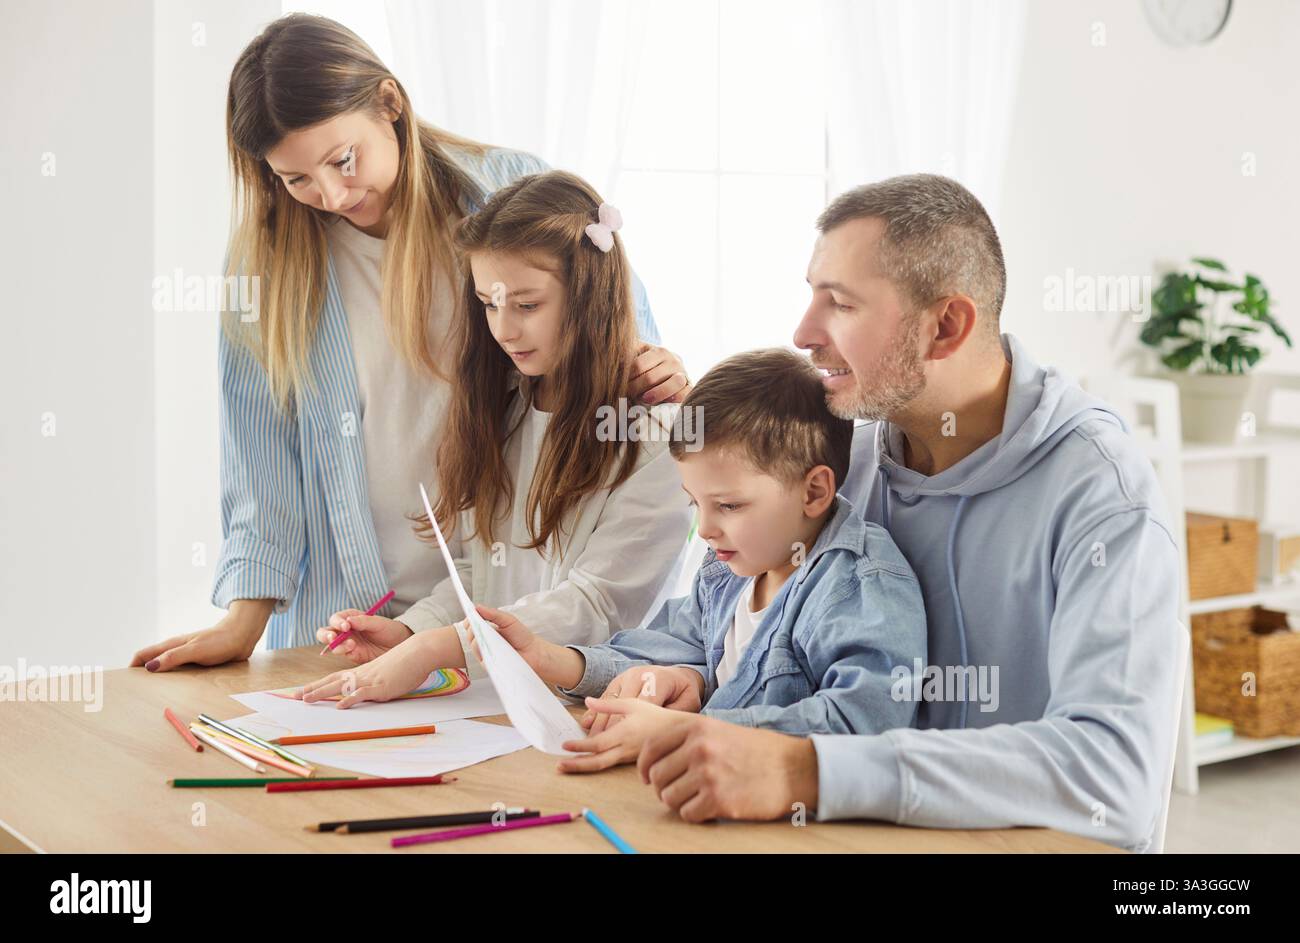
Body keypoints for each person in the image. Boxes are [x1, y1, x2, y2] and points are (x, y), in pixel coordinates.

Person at [599, 174, 1180, 853]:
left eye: (839, 304)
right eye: (811, 294)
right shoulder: (847, 454)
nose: (803, 333)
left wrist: (806, 769)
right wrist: (678, 677)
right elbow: (730, 622)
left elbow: (1114, 774)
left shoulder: (1103, 495)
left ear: (946, 326)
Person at [131, 14, 688, 673]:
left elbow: (610, 333)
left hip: (513, 607)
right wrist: (245, 617)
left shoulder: (506, 188)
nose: (331, 194)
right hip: (358, 615)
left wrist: (657, 369)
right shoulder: (266, 266)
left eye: (343, 159)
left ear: (389, 104)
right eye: (296, 178)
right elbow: (259, 454)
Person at [299, 171, 693, 706]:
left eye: (527, 306)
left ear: (589, 296)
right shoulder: (506, 406)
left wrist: (436, 649)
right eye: (489, 303)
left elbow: (595, 608)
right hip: (496, 706)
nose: (503, 330)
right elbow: (479, 572)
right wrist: (411, 633)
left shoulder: (654, 438)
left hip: (591, 711)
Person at [474, 348, 928, 773]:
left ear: (813, 492)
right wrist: (544, 657)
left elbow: (864, 724)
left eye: (729, 506)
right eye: (695, 503)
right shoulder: (728, 571)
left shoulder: (858, 585)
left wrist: (686, 732)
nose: (706, 529)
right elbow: (659, 649)